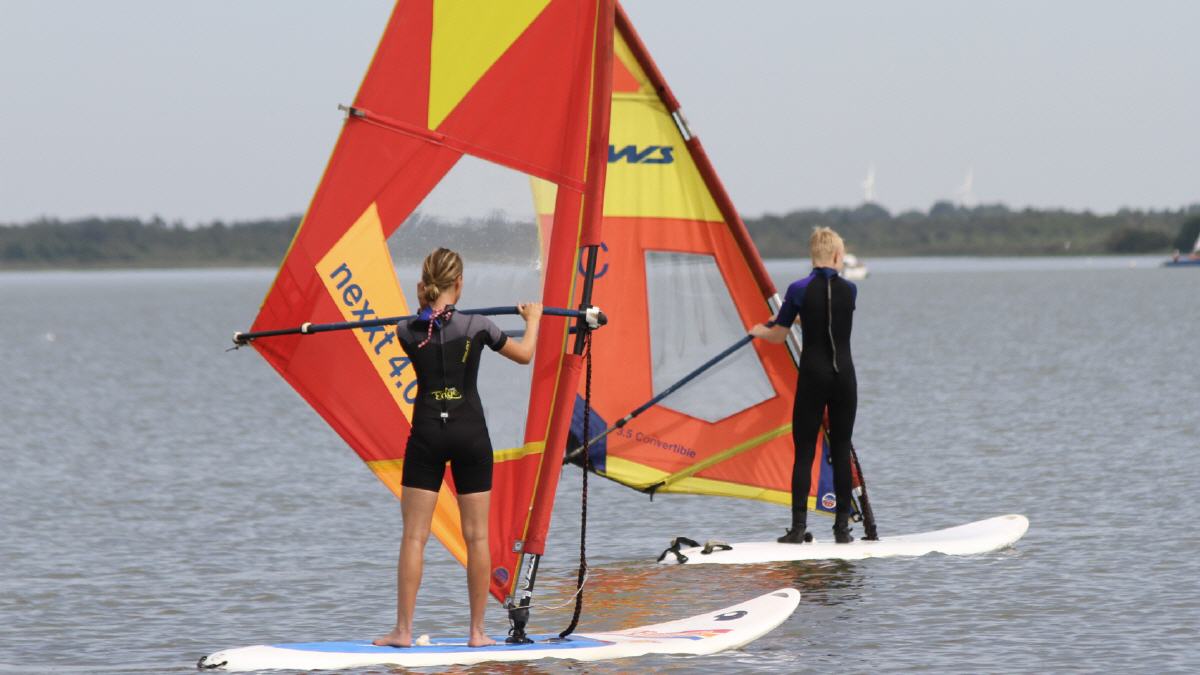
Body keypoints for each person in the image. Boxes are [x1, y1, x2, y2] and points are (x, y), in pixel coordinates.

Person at [374, 248, 542, 648]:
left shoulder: (405, 331)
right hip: (470, 434)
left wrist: (425, 304)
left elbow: (428, 325)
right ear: (460, 283)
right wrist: (532, 320)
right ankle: (477, 632)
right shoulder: (478, 326)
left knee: (414, 537)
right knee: (477, 537)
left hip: (427, 433)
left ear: (424, 285)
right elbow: (524, 355)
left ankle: (403, 631)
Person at [750, 227, 858, 544]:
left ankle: (798, 529)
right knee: (841, 450)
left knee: (805, 452)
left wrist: (759, 330)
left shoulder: (798, 289)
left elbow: (778, 335)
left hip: (813, 377)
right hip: (845, 378)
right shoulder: (850, 289)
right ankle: (842, 531)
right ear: (836, 256)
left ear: (812, 256)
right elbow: (828, 317)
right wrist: (800, 317)